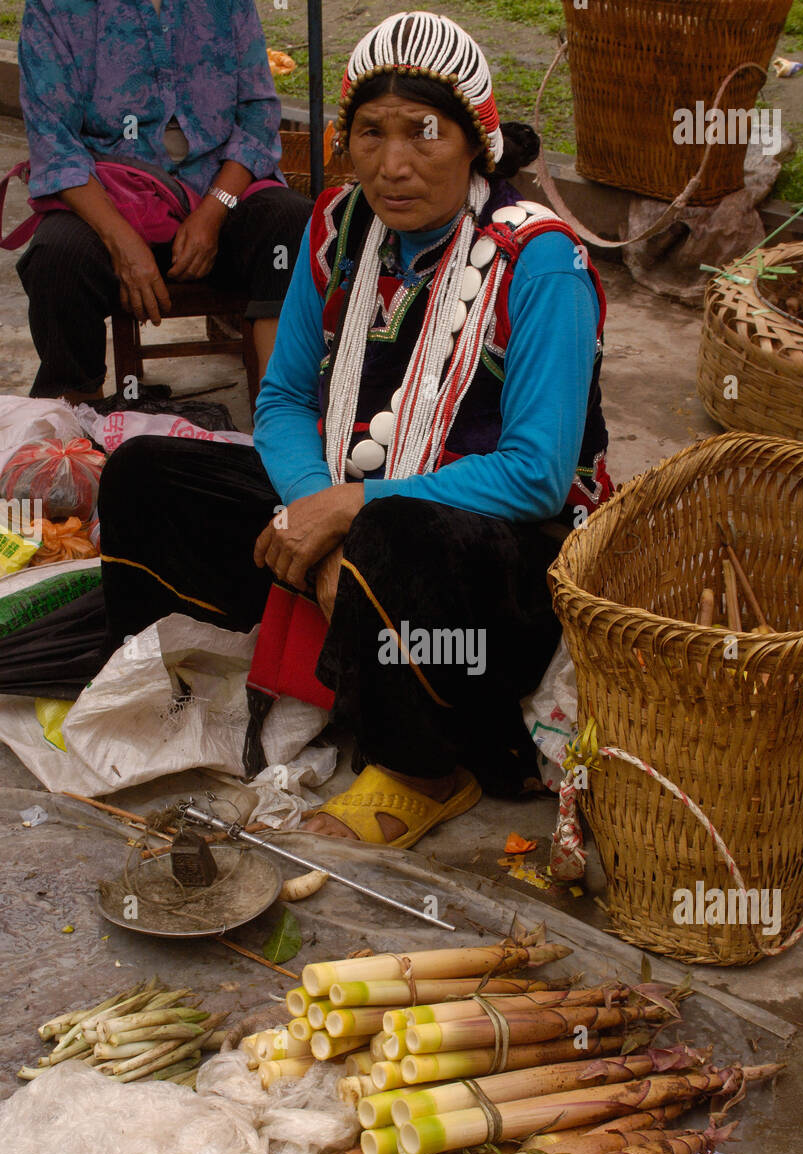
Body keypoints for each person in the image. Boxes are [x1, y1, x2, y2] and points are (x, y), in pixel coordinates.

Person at [97, 11, 613, 849]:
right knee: (146, 474)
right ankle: (244, 671)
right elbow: (284, 401)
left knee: (398, 537)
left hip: (496, 556)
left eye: (424, 133)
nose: (393, 164)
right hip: (353, 509)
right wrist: (318, 513)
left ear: (474, 143)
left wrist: (352, 510)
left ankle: (423, 767)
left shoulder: (539, 260)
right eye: (369, 134)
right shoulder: (337, 229)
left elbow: (535, 474)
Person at [15, 0, 311, 401]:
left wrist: (213, 210)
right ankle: (77, 425)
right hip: (112, 196)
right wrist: (122, 241)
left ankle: (282, 410)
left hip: (216, 189)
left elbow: (257, 113)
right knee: (57, 259)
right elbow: (54, 142)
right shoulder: (56, 8)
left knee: (291, 226)